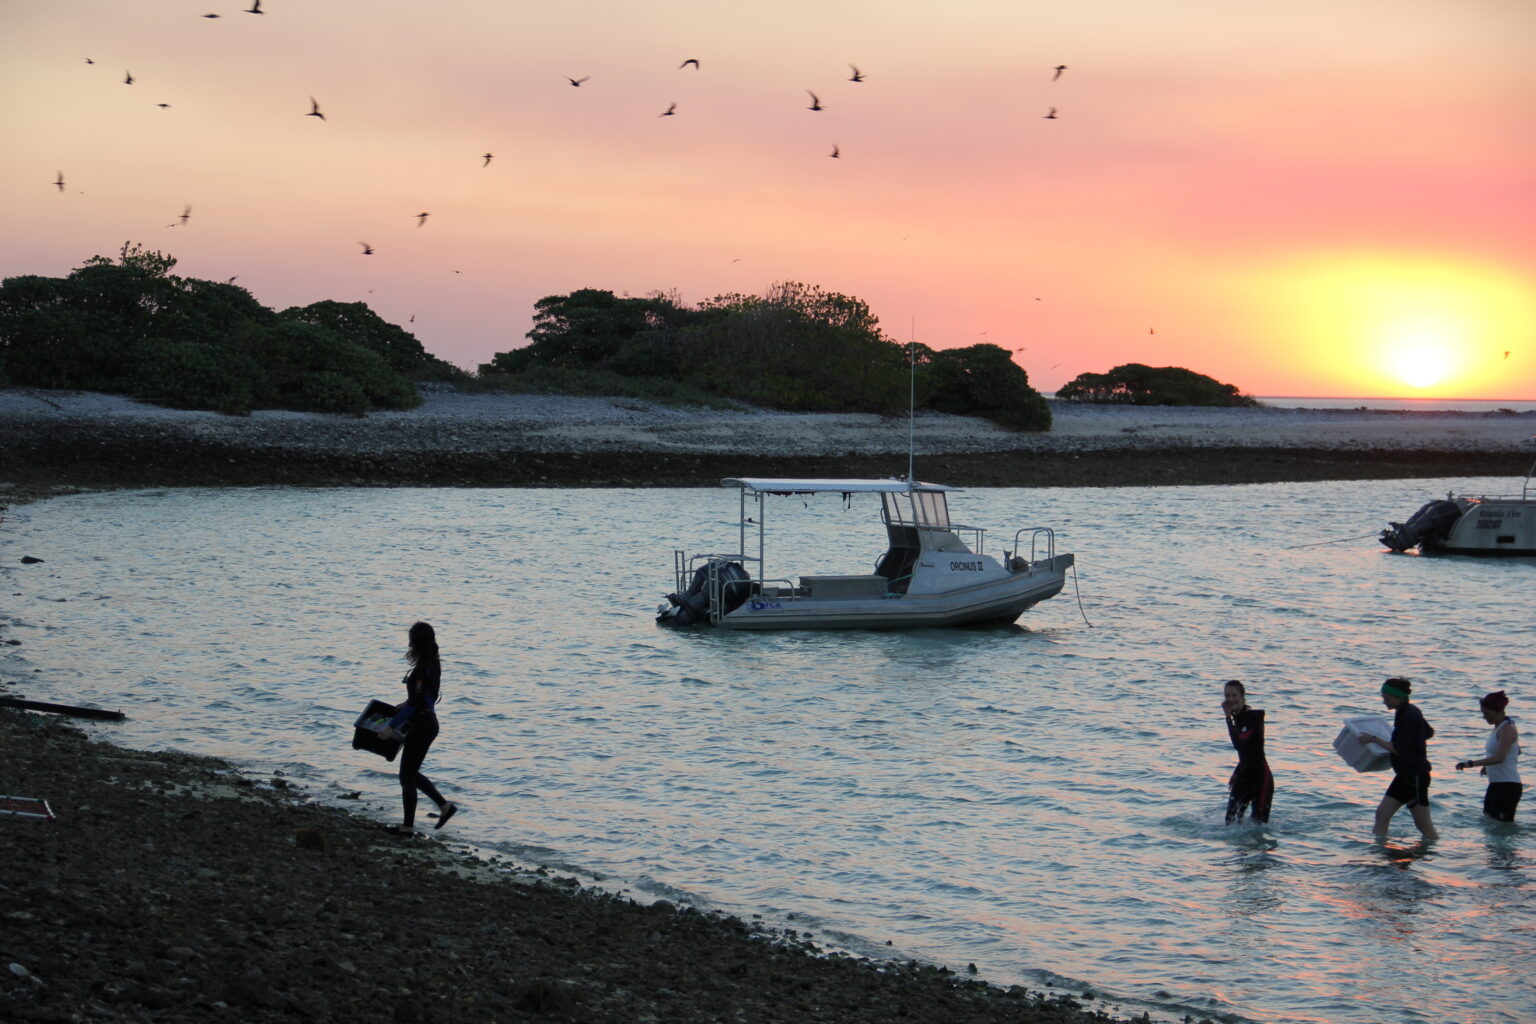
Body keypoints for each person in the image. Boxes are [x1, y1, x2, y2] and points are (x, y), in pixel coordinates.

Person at [379, 621, 457, 835]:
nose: (409, 643)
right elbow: (426, 698)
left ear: (416, 641)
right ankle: (445, 807)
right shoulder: (433, 663)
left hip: (422, 724)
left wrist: (391, 727)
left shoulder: (423, 667)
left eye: (411, 639)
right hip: (427, 722)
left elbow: (417, 703)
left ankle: (407, 828)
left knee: (406, 775)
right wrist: (403, 705)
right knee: (410, 773)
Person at [1359, 677, 1438, 841]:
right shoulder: (1411, 710)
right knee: (1382, 814)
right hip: (1406, 775)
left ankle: (1436, 852)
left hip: (1414, 776)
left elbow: (1398, 749)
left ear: (1398, 697)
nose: (1384, 702)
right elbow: (1428, 732)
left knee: (1423, 824)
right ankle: (1380, 850)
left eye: (1386, 698)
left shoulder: (1407, 715)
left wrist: (1373, 739)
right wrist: (1410, 739)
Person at [1455, 691, 1522, 822]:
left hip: (1508, 786)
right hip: (1496, 783)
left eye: (1487, 714)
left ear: (1498, 711)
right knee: (1488, 822)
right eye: (1483, 714)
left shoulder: (1507, 728)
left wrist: (1470, 764)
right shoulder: (1498, 727)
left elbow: (1500, 757)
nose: (1484, 717)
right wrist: (1487, 765)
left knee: (1501, 827)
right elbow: (1517, 751)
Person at [1222, 680, 1273, 824]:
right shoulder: (1236, 720)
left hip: (1261, 779)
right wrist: (1237, 772)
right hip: (1243, 776)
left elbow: (1239, 745)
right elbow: (1247, 753)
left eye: (1234, 695)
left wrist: (1227, 718)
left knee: (1259, 825)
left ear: (1242, 697)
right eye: (1227, 696)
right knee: (1230, 822)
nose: (1230, 699)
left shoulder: (1254, 717)